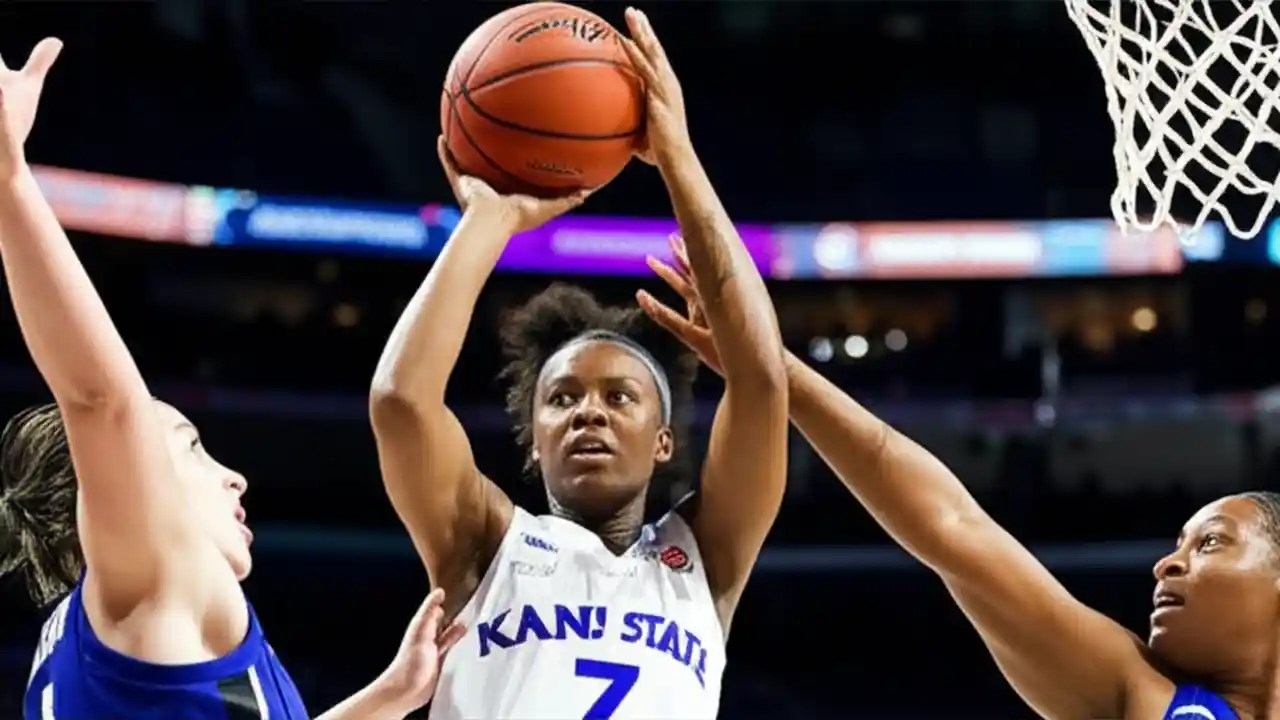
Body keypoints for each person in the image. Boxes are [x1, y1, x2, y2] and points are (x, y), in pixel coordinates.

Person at [0, 39, 464, 719]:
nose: (235, 476)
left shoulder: (134, 630)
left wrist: (389, 696)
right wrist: (9, 180)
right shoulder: (156, 580)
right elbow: (101, 401)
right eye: (190, 447)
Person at [642, 235, 1279, 720]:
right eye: (1179, 545)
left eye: (1211, 543)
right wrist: (771, 367)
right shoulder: (1142, 695)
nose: (1166, 565)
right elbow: (953, 527)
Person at [370, 8, 788, 719]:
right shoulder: (485, 543)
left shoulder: (704, 559)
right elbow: (400, 402)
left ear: (664, 440)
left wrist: (678, 156)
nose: (588, 410)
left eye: (620, 397)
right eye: (562, 398)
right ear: (534, 438)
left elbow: (762, 382)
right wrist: (490, 219)